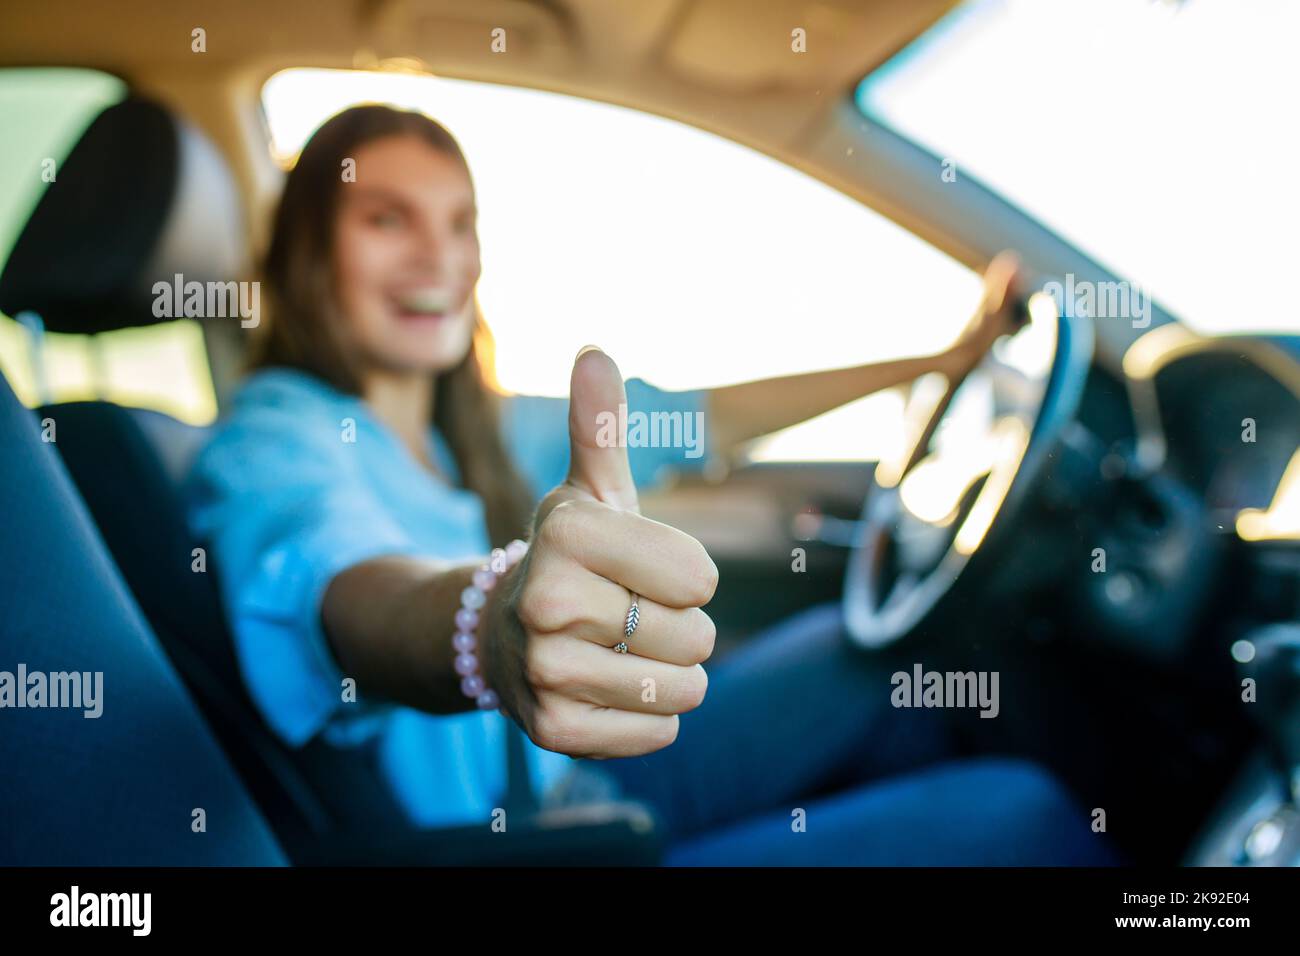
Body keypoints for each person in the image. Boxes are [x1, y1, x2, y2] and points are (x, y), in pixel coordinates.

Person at [185, 104, 1113, 865]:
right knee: (1020, 812)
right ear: (311, 247)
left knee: (873, 654)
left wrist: (943, 360)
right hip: (530, 848)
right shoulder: (275, 435)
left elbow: (707, 415)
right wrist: (489, 626)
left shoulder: (472, 426)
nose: (439, 257)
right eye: (387, 219)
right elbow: (341, 588)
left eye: (459, 223)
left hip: (586, 780)